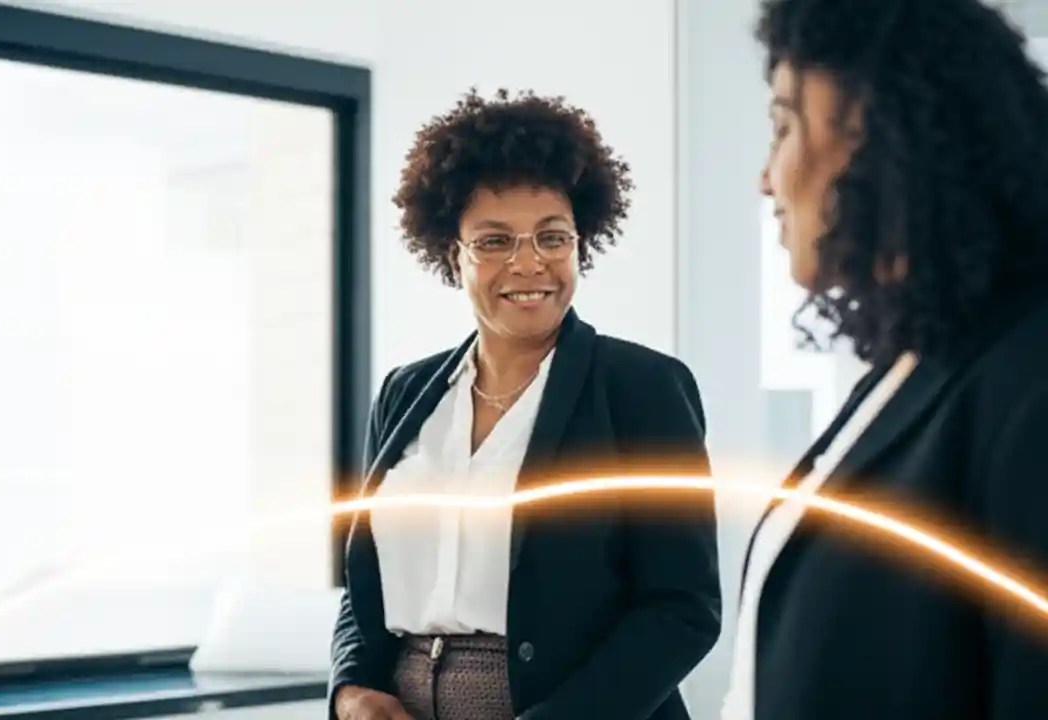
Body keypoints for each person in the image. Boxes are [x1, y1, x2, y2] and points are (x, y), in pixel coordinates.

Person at [329, 89, 721, 720]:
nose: (529, 262)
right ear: (452, 253)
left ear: (580, 244)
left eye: (552, 237)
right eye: (493, 241)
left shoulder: (642, 387)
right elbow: (364, 584)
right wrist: (350, 690)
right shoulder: (405, 392)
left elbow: (683, 608)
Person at [725, 0, 1048, 718]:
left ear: (884, 132)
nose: (766, 180)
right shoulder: (911, 364)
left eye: (783, 125)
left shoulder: (1029, 385)